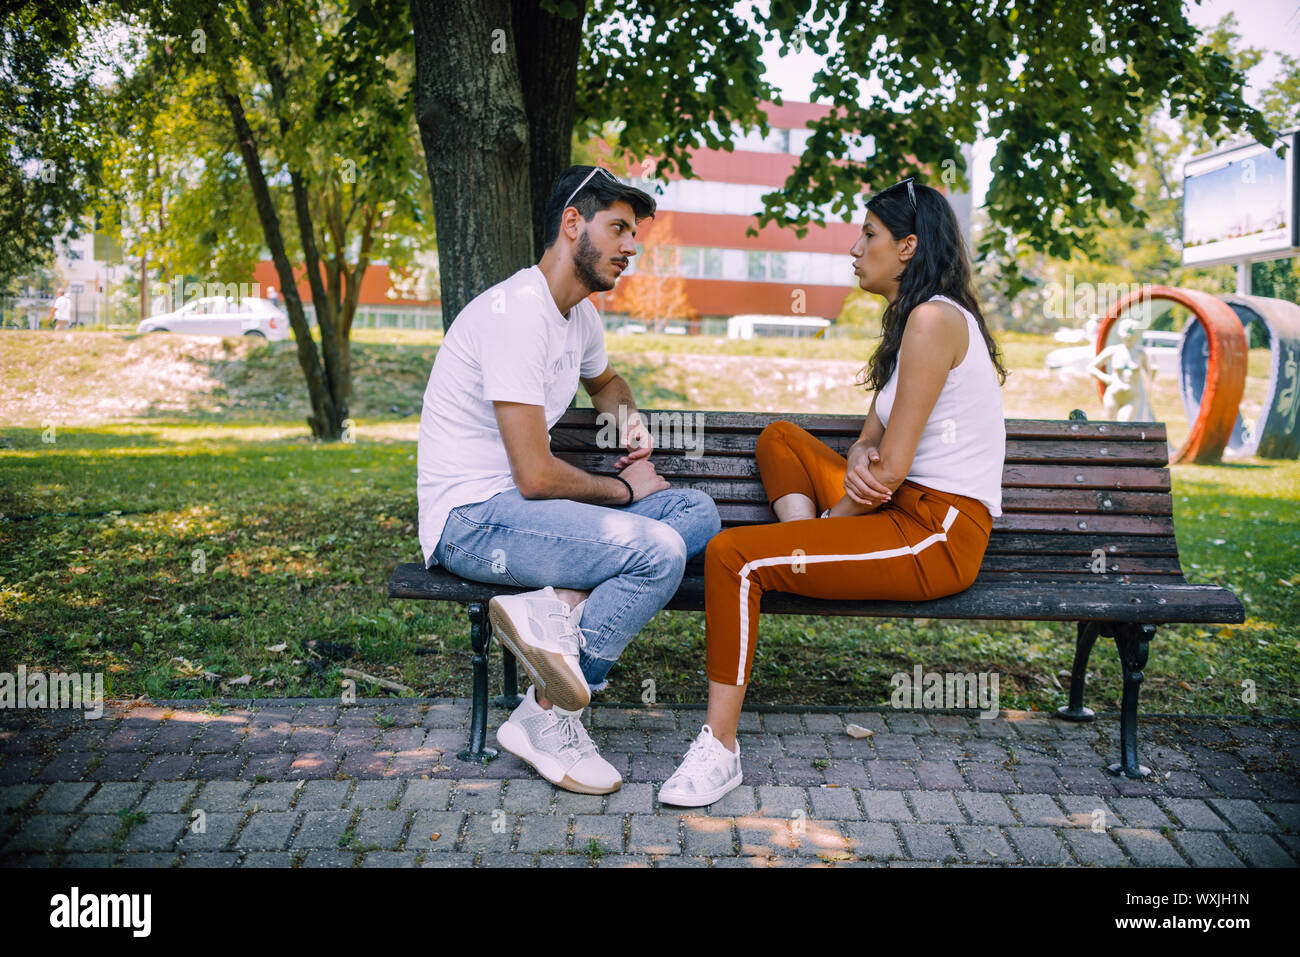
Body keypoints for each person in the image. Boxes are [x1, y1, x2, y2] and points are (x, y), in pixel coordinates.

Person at [658, 178, 1009, 806]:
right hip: (901, 508)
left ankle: (719, 749)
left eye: (868, 235)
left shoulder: (933, 320)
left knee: (732, 559)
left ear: (907, 247)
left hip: (937, 533)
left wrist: (823, 524)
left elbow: (887, 472)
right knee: (783, 438)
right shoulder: (915, 326)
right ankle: (810, 539)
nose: (854, 247)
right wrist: (845, 482)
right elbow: (866, 450)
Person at [417, 165, 721, 795]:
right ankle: (552, 718)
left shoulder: (577, 316)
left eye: (634, 234)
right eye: (619, 229)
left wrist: (629, 432)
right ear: (572, 224)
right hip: (471, 521)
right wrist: (625, 493)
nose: (632, 247)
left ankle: (553, 617)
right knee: (657, 548)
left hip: (519, 516)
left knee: (694, 513)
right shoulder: (516, 312)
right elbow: (533, 474)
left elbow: (605, 383)